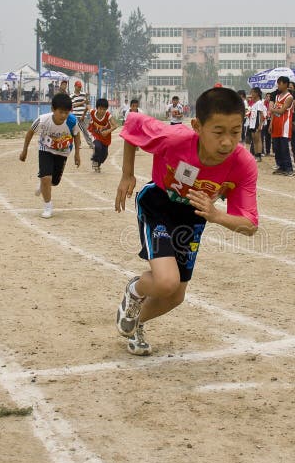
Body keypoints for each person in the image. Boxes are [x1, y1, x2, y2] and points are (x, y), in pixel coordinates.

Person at [114, 87, 259, 356]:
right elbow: (133, 123)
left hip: (192, 217)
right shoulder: (174, 138)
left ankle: (137, 323)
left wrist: (217, 216)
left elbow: (250, 225)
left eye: (236, 132)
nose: (227, 142)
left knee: (176, 296)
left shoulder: (243, 164)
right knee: (166, 282)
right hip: (157, 204)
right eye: (218, 132)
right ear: (197, 126)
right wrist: (127, 174)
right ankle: (135, 291)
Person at [19, 93, 82, 219]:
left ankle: (43, 185)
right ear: (53, 109)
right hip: (45, 149)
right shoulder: (43, 120)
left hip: (63, 152)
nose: (63, 116)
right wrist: (24, 150)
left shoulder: (72, 121)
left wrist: (77, 154)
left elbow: (76, 136)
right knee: (46, 177)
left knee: (54, 181)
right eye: (60, 112)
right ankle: (48, 206)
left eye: (66, 112)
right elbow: (30, 133)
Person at [269, 76, 295, 176]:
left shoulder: (289, 97)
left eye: (279, 83)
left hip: (284, 125)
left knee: (284, 147)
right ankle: (280, 166)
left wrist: (272, 109)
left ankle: (289, 168)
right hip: (276, 124)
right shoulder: (277, 97)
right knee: (277, 147)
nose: (278, 85)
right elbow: (275, 112)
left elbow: (282, 110)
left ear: (285, 84)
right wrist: (271, 123)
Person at [88, 97, 116, 172]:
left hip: (105, 137)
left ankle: (98, 164)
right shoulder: (93, 112)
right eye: (100, 109)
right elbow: (88, 107)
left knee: (104, 155)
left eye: (104, 109)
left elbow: (115, 125)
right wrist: (83, 115)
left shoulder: (108, 115)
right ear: (97, 108)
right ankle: (94, 159)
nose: (102, 111)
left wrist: (107, 131)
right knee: (97, 147)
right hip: (95, 133)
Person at [70, 80, 93, 149]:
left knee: (85, 130)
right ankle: (78, 144)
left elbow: (87, 103)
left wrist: (87, 99)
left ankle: (91, 144)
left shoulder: (83, 94)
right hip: (75, 115)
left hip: (83, 115)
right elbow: (74, 105)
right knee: (76, 131)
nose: (79, 88)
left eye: (80, 87)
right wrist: (83, 102)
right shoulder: (72, 95)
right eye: (78, 87)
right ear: (75, 86)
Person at [247, 87, 266, 162]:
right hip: (252, 124)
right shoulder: (254, 103)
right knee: (254, 140)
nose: (251, 94)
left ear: (257, 94)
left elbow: (261, 115)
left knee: (258, 140)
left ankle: (259, 155)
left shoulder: (259, 103)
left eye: (252, 92)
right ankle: (255, 155)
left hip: (257, 123)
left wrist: (260, 125)